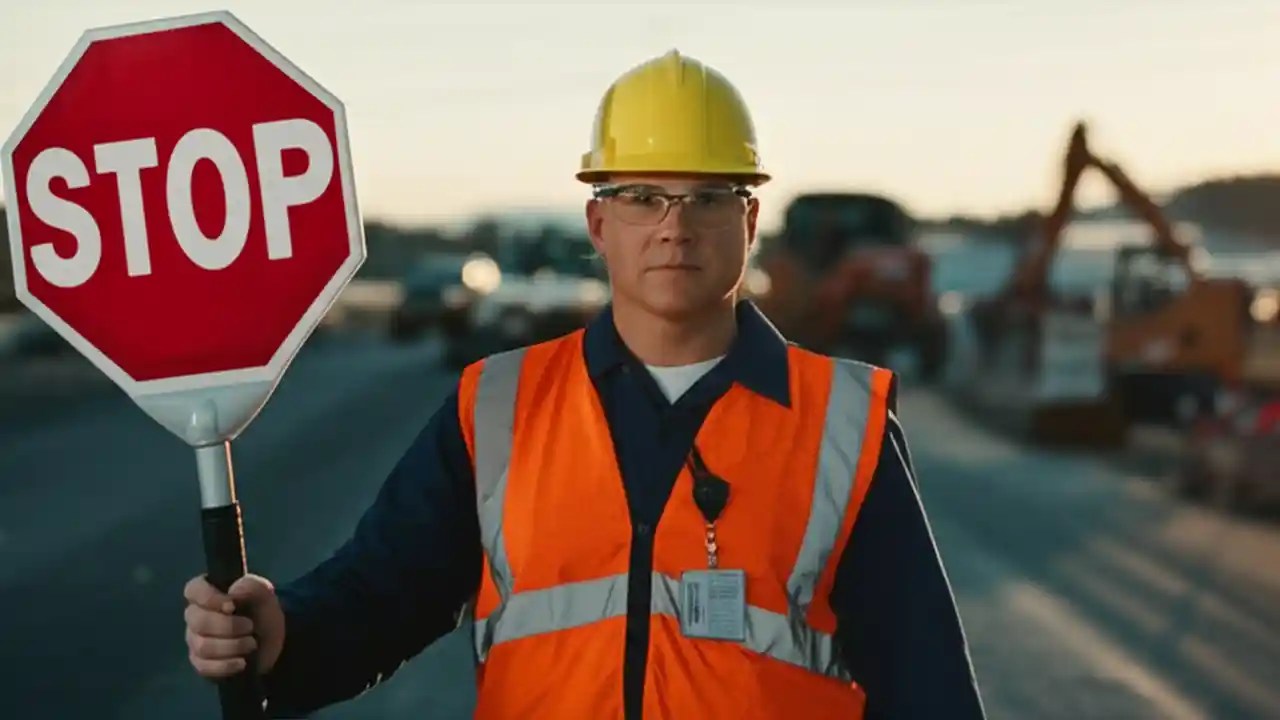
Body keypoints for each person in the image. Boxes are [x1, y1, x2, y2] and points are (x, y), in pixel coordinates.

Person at [182, 49, 987, 719]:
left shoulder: (840, 422)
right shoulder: (498, 409)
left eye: (706, 198)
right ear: (599, 224)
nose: (674, 226)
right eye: (642, 197)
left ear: (748, 223)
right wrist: (282, 631)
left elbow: (929, 687)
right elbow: (378, 596)